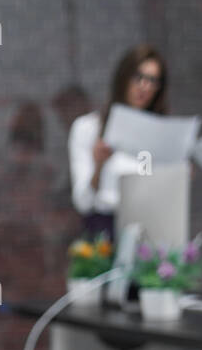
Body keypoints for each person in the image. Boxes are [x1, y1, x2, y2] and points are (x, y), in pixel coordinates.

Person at [68, 45, 169, 240]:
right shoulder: (88, 128)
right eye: (138, 77)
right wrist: (98, 166)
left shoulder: (159, 134)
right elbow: (83, 202)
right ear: (123, 77)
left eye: (153, 81)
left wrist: (176, 176)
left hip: (149, 229)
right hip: (104, 230)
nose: (145, 86)